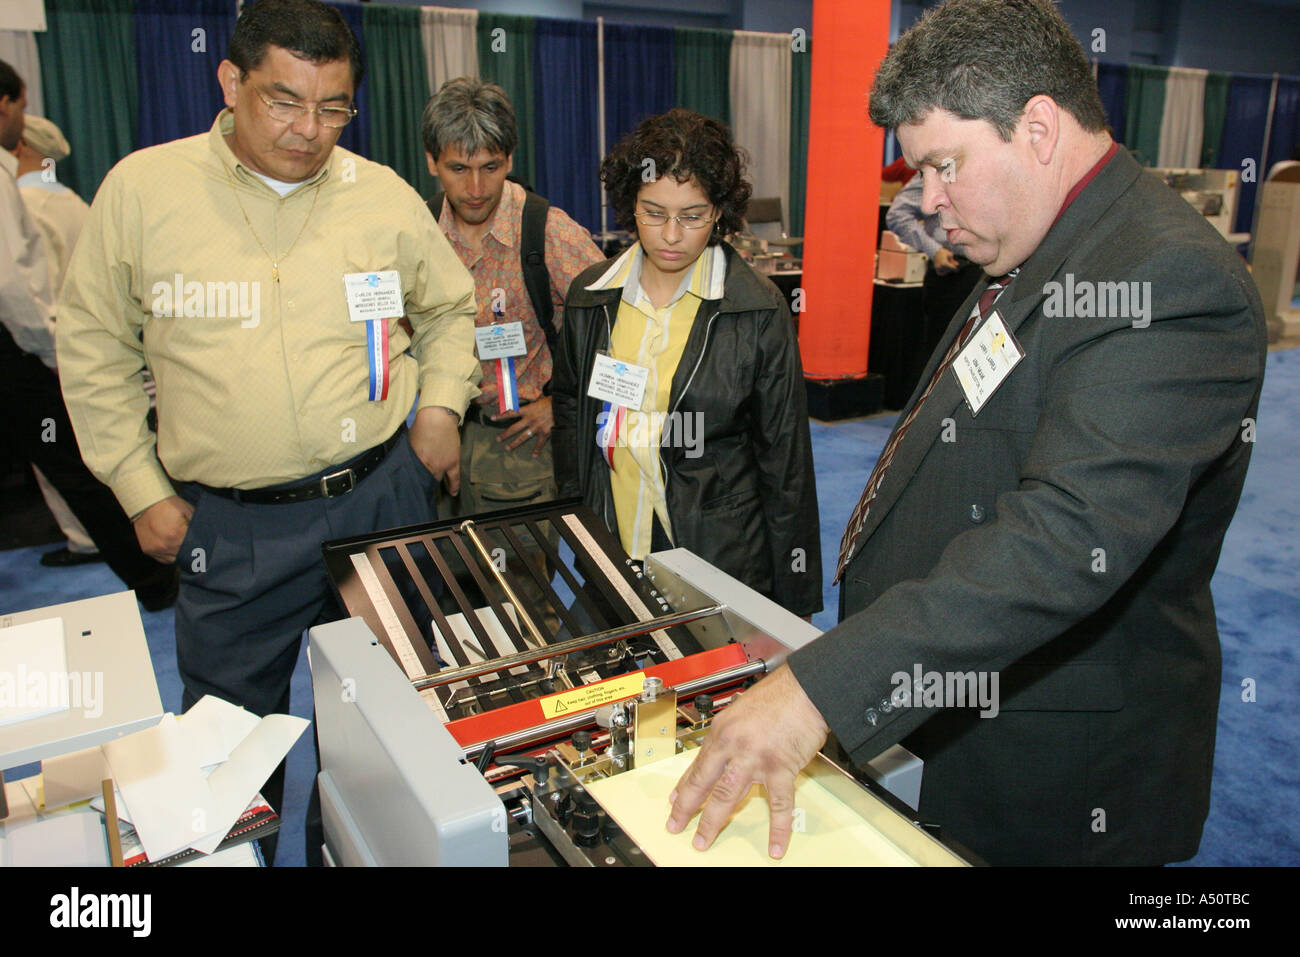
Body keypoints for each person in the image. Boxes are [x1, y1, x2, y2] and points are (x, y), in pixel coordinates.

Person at [666, 0, 1266, 866]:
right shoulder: (1036, 243)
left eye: (944, 166)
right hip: (952, 708)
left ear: (1039, 127)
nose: (926, 201)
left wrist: (819, 691)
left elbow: (1064, 537)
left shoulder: (1167, 279)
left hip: (1051, 769)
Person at [55, 0, 479, 861]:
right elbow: (92, 346)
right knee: (224, 741)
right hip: (234, 523)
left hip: (382, 496)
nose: (308, 129)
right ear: (230, 82)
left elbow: (449, 307)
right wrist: (138, 485)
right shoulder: (144, 189)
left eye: (333, 107)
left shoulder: (382, 194)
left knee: (380, 719)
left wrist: (439, 403)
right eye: (283, 101)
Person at [552, 108, 821, 618]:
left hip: (717, 550)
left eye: (692, 216)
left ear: (719, 211)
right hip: (614, 543)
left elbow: (785, 464)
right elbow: (570, 406)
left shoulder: (757, 309)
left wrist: (793, 603)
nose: (671, 235)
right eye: (654, 213)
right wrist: (578, 506)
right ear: (630, 204)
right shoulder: (591, 296)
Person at [1, 60, 176, 605]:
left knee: (72, 466)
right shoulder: (58, 197)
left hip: (37, 345)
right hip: (32, 346)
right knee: (73, 464)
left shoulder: (29, 191)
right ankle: (153, 579)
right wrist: (55, 351)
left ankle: (151, 579)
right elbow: (18, 283)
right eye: (23, 107)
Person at [421, 77, 604, 517]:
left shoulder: (548, 231)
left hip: (521, 446)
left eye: (491, 166)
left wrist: (558, 406)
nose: (477, 188)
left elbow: (617, 326)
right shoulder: (419, 233)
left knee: (517, 582)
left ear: (510, 159)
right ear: (432, 163)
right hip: (438, 437)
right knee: (445, 580)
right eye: (458, 169)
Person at [12, 113, 100, 567]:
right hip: (90, 339)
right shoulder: (73, 201)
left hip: (49, 341)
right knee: (86, 443)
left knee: (56, 455)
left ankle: (83, 539)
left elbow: (28, 286)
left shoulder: (23, 204)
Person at [886, 171, 984, 360]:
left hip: (991, 273)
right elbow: (898, 213)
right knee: (941, 355)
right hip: (954, 272)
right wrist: (934, 250)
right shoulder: (938, 165)